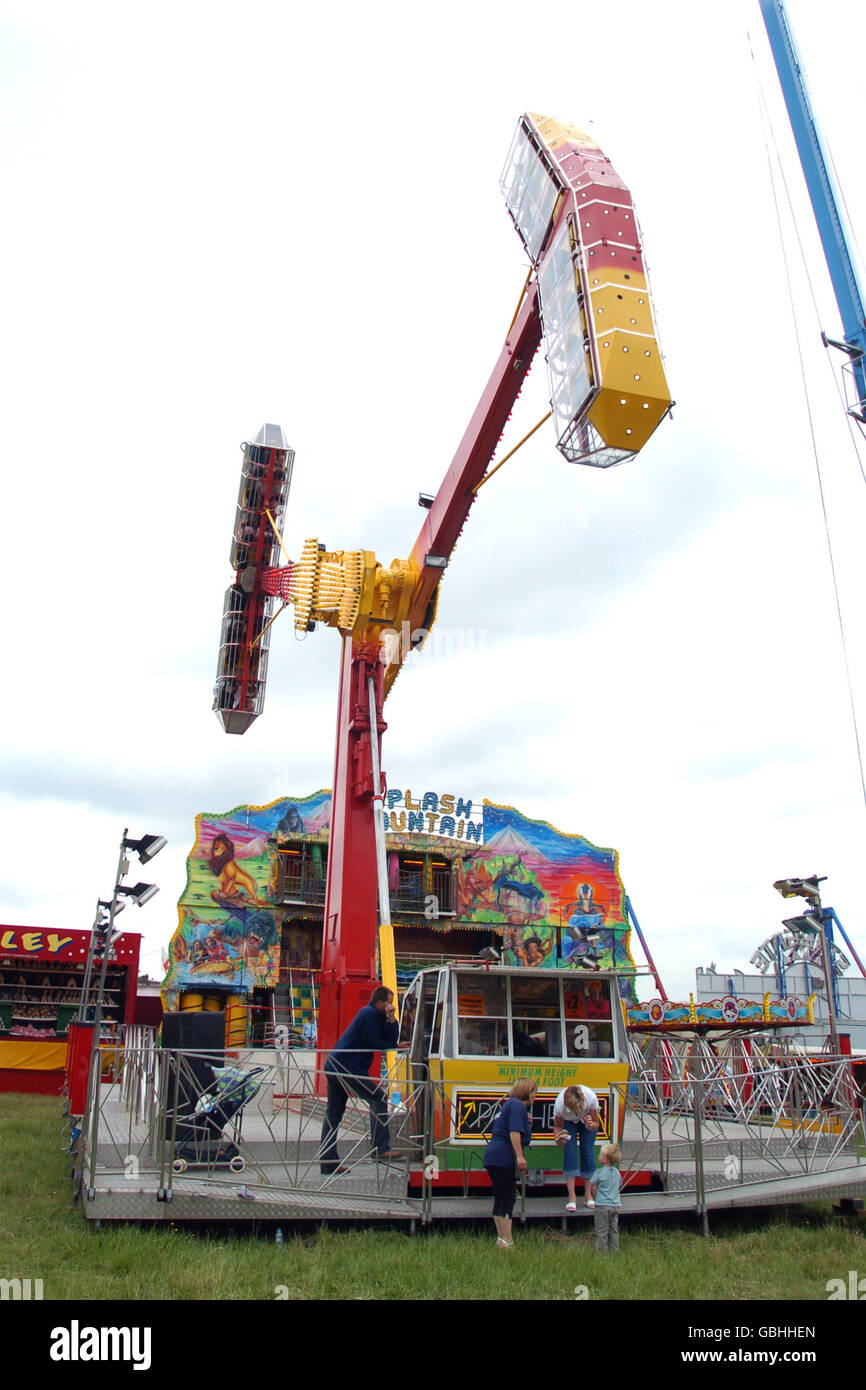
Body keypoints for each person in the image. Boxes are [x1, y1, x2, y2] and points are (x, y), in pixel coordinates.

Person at [319, 985, 399, 1174]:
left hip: (337, 1065)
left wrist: (391, 1019)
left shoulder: (377, 1016)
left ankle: (328, 1162)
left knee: (334, 1114)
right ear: (380, 1002)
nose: (391, 1006)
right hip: (347, 1067)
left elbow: (390, 1037)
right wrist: (394, 1045)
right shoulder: (368, 1014)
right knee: (378, 1097)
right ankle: (381, 1148)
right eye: (389, 1003)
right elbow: (376, 1042)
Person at [482, 1077, 537, 1249]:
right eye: (534, 1093)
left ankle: (501, 1239)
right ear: (527, 1091)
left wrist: (528, 1124)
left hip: (492, 1155)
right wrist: (520, 1156)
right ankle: (508, 1240)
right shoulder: (518, 1106)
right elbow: (514, 1132)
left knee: (500, 1198)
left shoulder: (508, 1105)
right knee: (508, 1198)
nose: (535, 1097)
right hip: (504, 1156)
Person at [553, 1083, 600, 1211]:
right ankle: (572, 1197)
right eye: (575, 1108)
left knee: (588, 1151)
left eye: (580, 1107)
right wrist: (559, 1137)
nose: (578, 1110)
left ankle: (588, 1195)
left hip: (587, 1120)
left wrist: (591, 1125)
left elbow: (596, 1123)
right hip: (568, 1122)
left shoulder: (591, 1098)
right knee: (570, 1151)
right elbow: (557, 1127)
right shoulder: (559, 1105)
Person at [591, 1142, 622, 1252]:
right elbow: (619, 1185)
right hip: (616, 1205)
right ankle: (615, 1250)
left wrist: (594, 1198)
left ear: (604, 1159)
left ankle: (601, 1253)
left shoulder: (599, 1172)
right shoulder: (617, 1172)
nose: (598, 1156)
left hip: (602, 1205)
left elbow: (593, 1186)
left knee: (601, 1230)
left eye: (600, 1155)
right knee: (614, 1229)